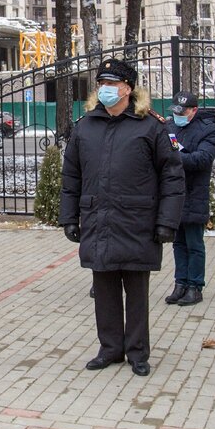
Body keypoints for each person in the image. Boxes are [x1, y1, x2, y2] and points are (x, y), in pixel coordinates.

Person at [60, 57, 184, 376]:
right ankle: (110, 348)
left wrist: (167, 221)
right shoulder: (85, 126)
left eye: (112, 84)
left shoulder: (150, 127)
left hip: (137, 223)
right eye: (102, 84)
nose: (105, 90)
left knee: (137, 292)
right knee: (104, 290)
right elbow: (71, 175)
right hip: (98, 221)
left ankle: (138, 352)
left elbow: (172, 176)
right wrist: (69, 217)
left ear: (128, 88)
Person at [165, 92, 215, 307]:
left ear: (194, 110)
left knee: (194, 243)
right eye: (175, 111)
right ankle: (180, 283)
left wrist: (174, 158)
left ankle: (195, 286)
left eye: (182, 111)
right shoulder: (170, 128)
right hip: (175, 193)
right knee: (178, 243)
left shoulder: (208, 130)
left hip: (195, 192)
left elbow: (202, 159)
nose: (178, 115)